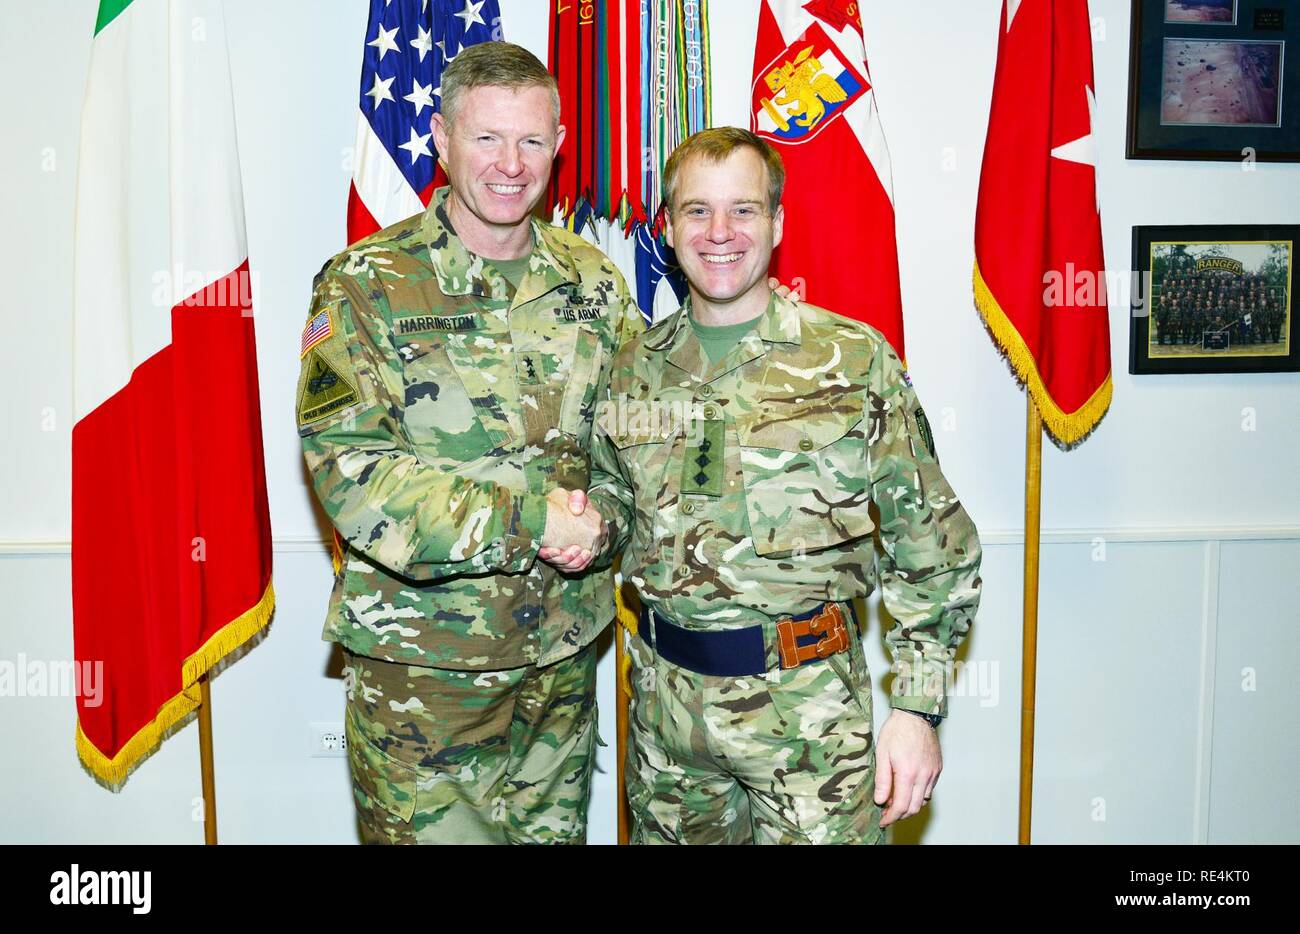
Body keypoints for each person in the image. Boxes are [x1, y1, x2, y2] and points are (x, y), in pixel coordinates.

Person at [589, 128, 983, 844]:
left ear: (776, 222)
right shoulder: (629, 369)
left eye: (743, 210)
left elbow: (935, 547)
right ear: (668, 227)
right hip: (665, 721)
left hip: (809, 722)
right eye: (697, 211)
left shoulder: (852, 361)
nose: (720, 233)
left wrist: (919, 710)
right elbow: (613, 510)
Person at [296, 41, 642, 844]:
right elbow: (355, 474)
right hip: (427, 679)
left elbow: (634, 441)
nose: (510, 165)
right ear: (443, 142)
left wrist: (607, 523)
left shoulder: (595, 283)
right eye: (486, 138)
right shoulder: (363, 285)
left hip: (561, 666)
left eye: (530, 141)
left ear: (559, 146)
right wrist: (534, 522)